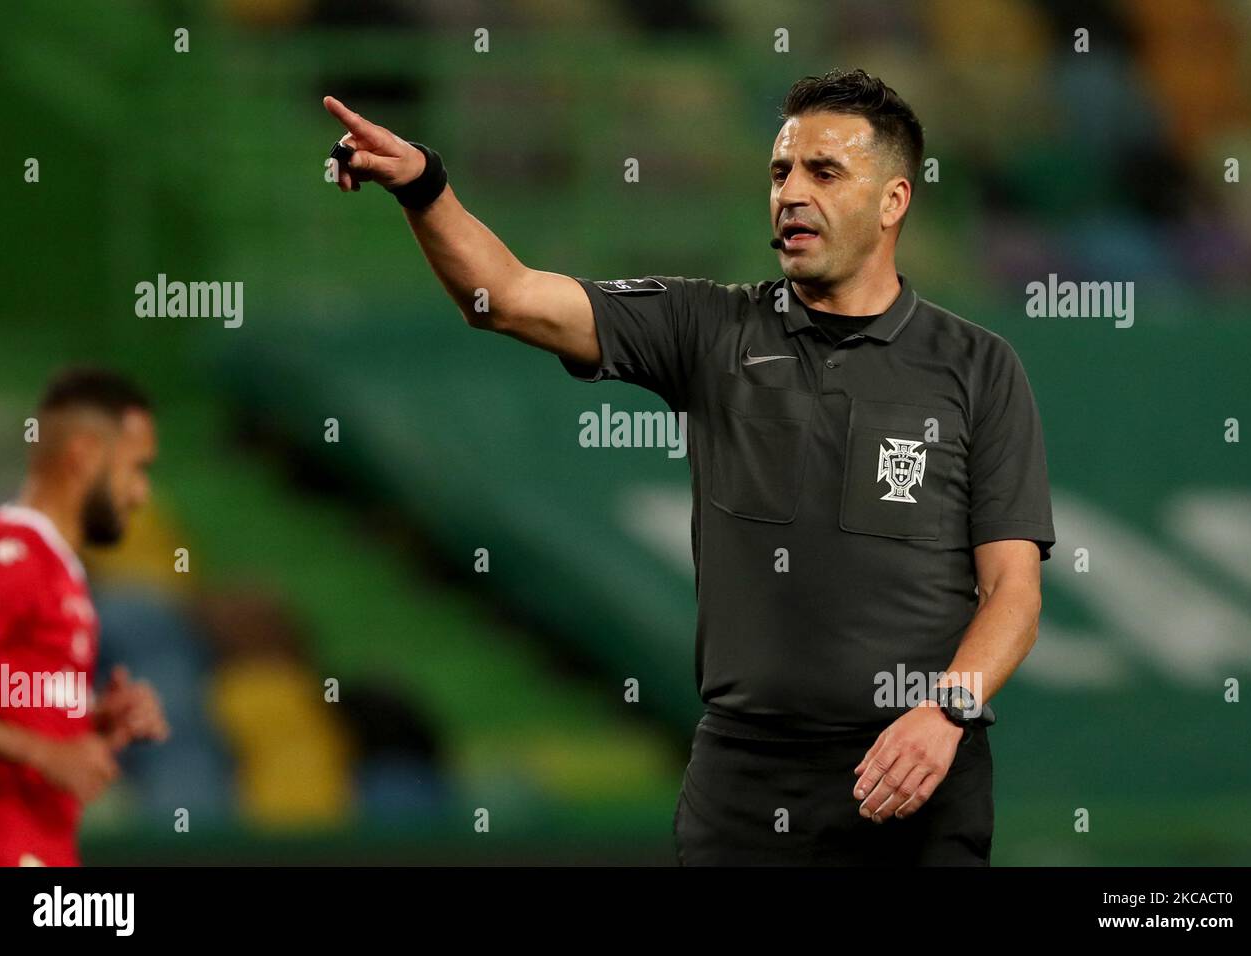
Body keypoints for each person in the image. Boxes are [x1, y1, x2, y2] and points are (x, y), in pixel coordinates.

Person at [323, 67, 1054, 865]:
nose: (791, 193)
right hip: (745, 778)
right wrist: (425, 187)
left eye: (824, 171)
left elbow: (1012, 590)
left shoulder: (978, 367)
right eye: (780, 171)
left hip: (915, 772)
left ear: (893, 202)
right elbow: (506, 296)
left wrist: (947, 712)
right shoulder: (709, 328)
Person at [0, 367, 170, 866]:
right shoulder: (8, 557)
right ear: (85, 455)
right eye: (137, 468)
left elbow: (1, 697)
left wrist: (90, 721)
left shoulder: (56, 569)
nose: (140, 493)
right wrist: (46, 754)